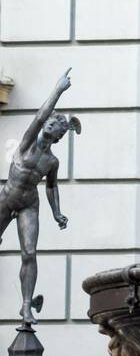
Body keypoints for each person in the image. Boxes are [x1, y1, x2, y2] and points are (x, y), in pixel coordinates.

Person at [0, 70, 80, 324]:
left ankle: (26, 306)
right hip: (6, 198)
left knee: (30, 253)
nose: (49, 125)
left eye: (55, 126)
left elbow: (51, 187)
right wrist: (57, 90)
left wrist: (57, 212)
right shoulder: (26, 144)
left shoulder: (51, 161)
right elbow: (40, 114)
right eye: (50, 122)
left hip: (28, 205)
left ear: (58, 136)